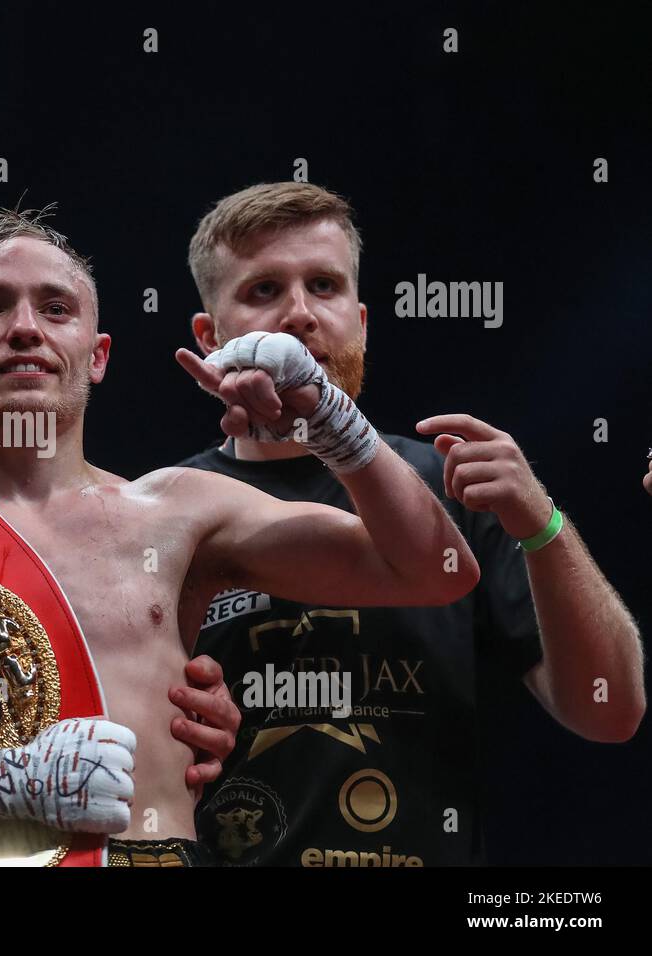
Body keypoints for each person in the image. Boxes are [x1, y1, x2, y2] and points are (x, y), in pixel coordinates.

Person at [0, 207, 480, 866]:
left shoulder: (178, 511)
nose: (26, 329)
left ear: (99, 352)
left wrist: (329, 420)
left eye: (56, 308)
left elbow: (431, 571)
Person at [178, 181, 646, 866]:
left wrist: (542, 524)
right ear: (208, 336)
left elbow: (609, 712)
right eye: (263, 291)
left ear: (362, 321)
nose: (299, 314)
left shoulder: (454, 485)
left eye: (325, 286)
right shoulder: (165, 511)